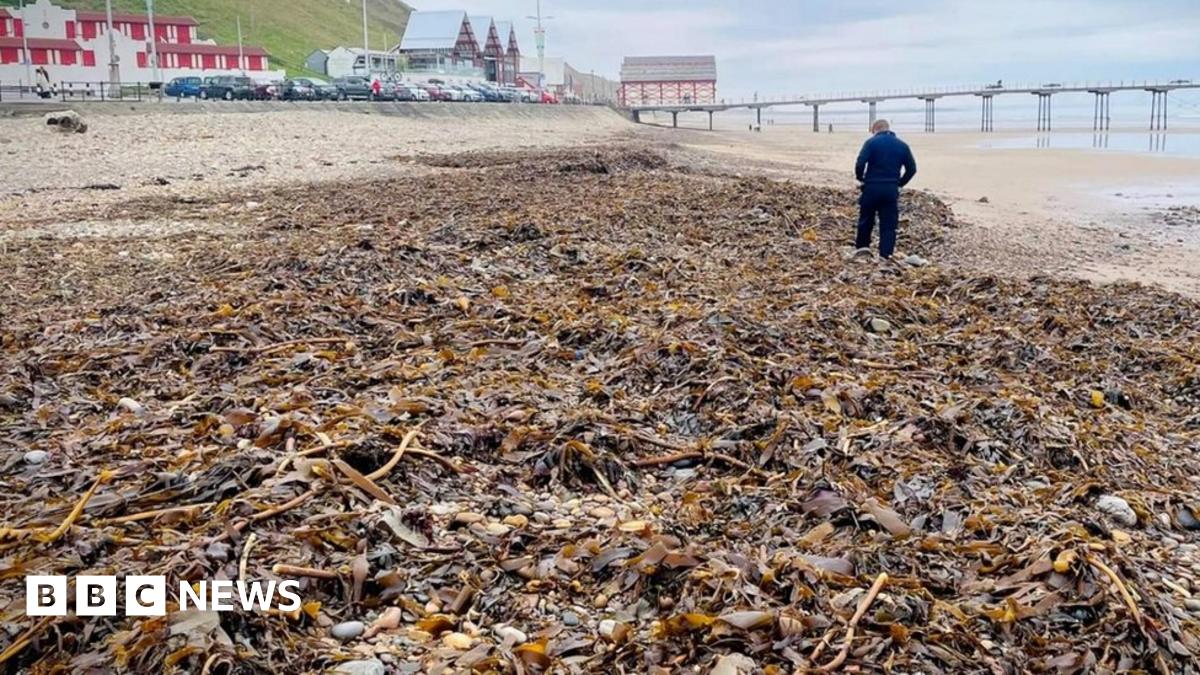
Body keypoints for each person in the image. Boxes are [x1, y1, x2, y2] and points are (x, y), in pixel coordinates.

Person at [854, 119, 916, 259]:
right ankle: (885, 254)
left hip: (871, 187)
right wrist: (900, 183)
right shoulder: (902, 145)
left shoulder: (871, 143)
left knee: (866, 219)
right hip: (890, 189)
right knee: (888, 224)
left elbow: (860, 163)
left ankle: (862, 249)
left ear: (875, 129)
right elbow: (912, 169)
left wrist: (861, 178)